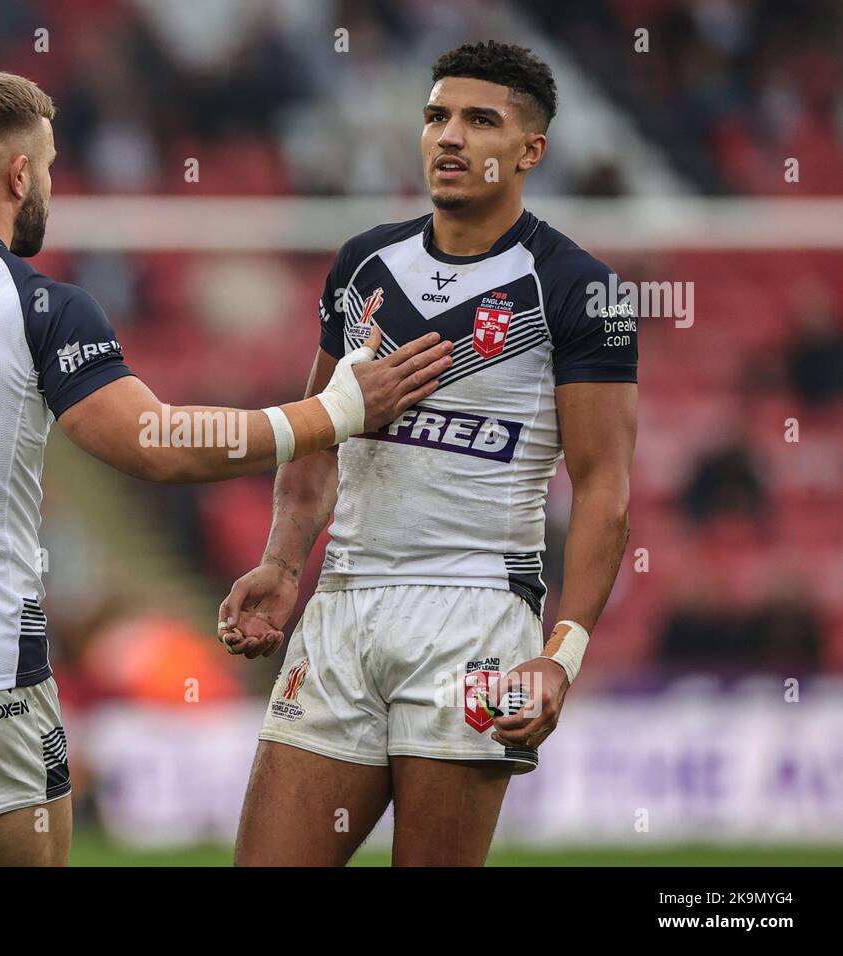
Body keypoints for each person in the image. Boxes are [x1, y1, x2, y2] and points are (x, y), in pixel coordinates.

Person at [0, 70, 452, 867]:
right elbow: (156, 441)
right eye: (45, 167)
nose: (48, 185)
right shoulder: (38, 304)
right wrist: (334, 414)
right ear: (18, 175)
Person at [218, 41, 638, 866]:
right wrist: (282, 561)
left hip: (475, 615)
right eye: (436, 116)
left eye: (480, 120)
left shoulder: (578, 288)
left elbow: (604, 490)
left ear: (530, 151)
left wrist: (563, 654)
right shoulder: (365, 264)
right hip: (341, 605)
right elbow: (317, 432)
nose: (449, 137)